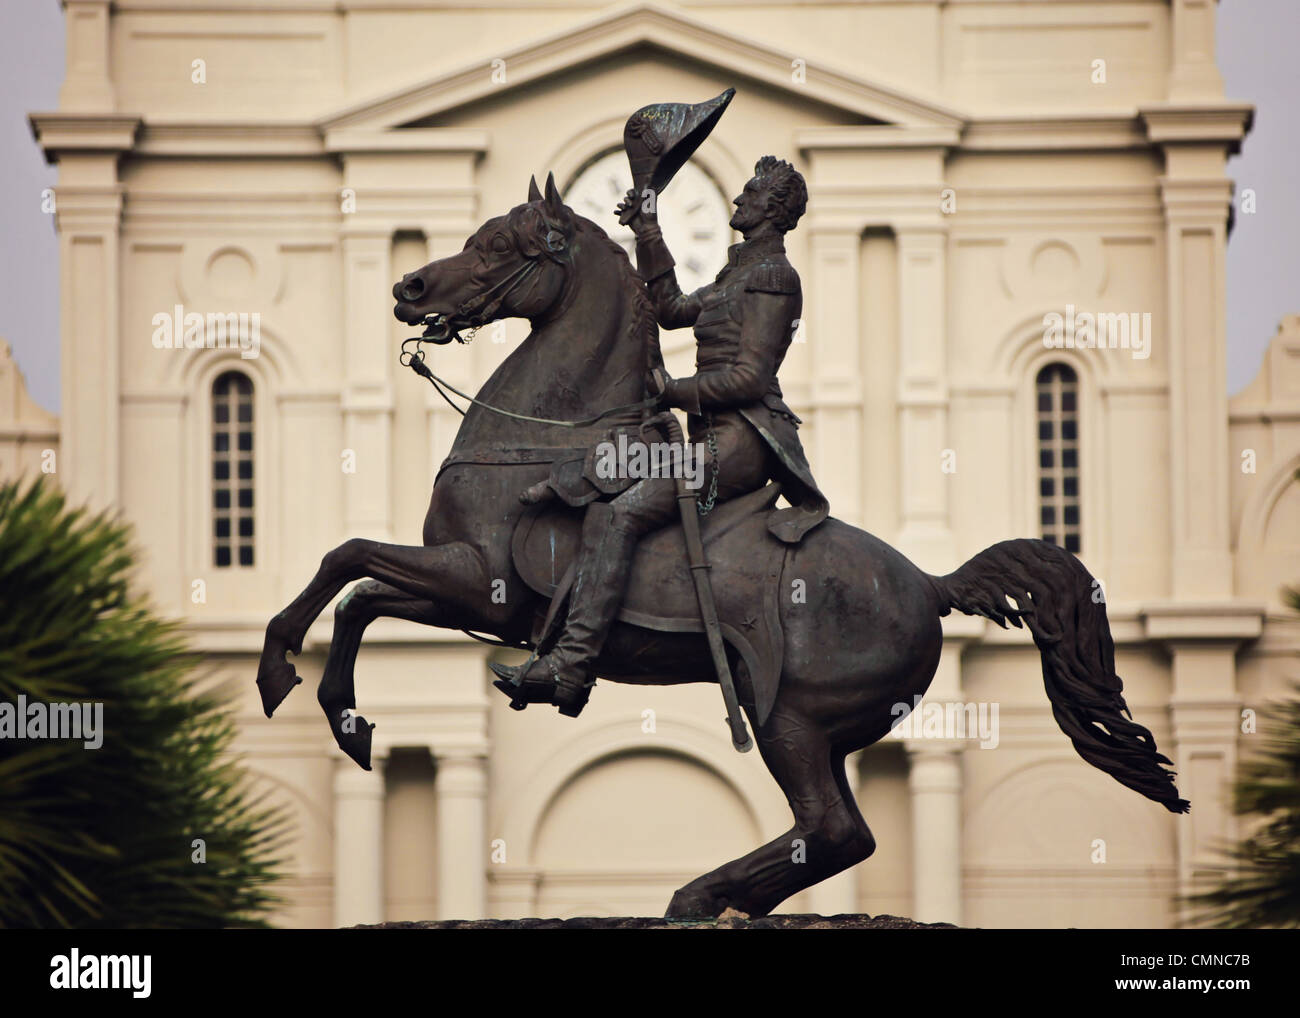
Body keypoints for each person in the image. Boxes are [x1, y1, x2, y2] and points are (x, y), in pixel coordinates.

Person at [490, 156, 829, 716]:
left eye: (751, 193)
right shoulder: (736, 275)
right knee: (613, 461)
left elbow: (751, 377)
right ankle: (560, 490)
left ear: (774, 210)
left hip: (740, 442)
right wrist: (647, 229)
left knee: (621, 514)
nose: (740, 200)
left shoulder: (772, 277)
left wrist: (673, 390)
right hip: (705, 439)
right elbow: (671, 308)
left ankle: (571, 668)